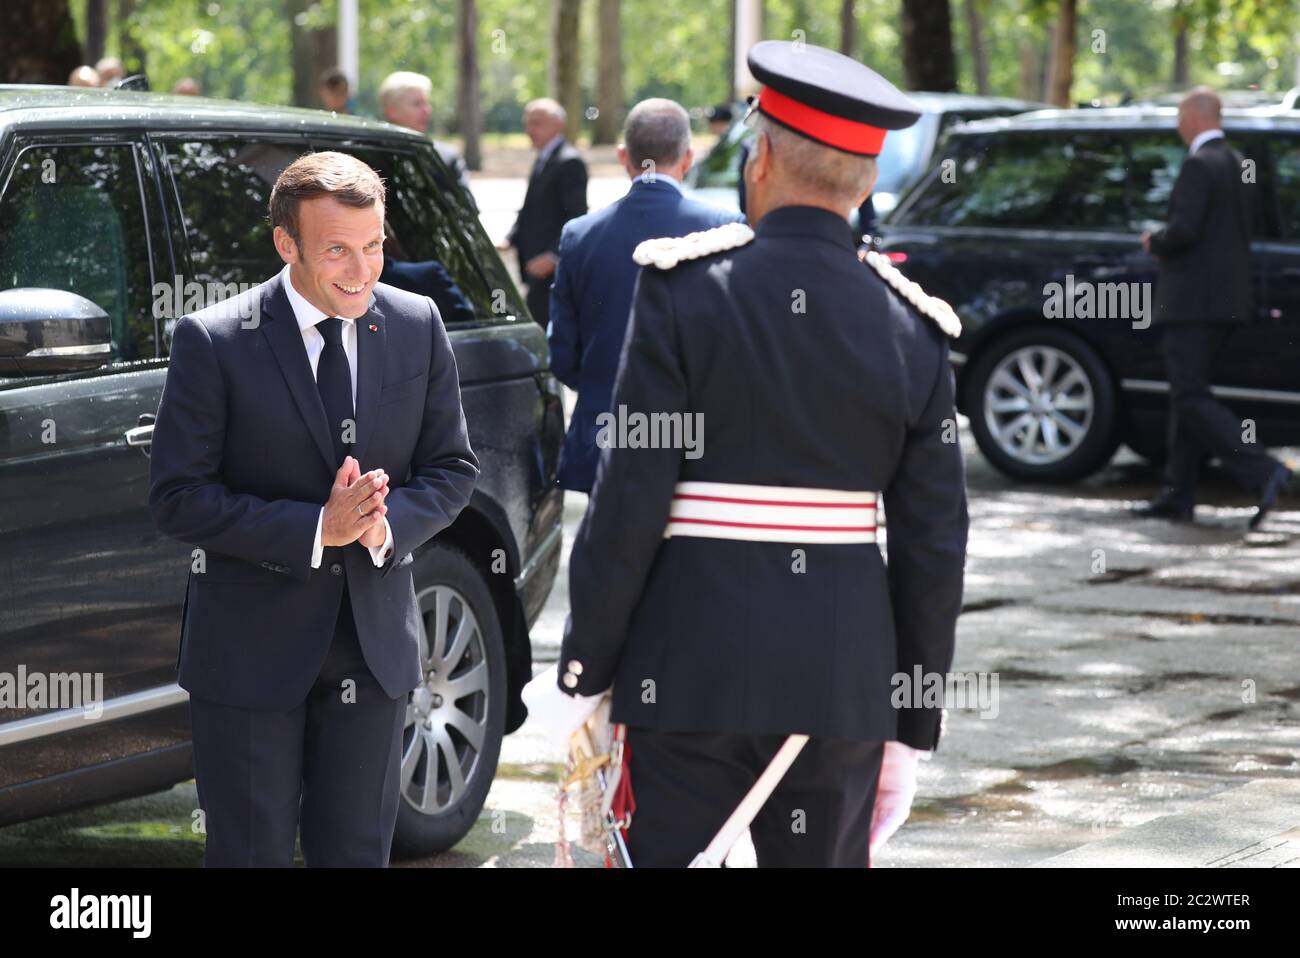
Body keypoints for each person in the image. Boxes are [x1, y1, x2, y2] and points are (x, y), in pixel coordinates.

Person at [554, 41, 969, 867]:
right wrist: (910, 721)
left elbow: (629, 498)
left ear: (763, 157)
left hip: (686, 669)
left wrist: (584, 669)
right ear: (865, 183)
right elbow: (933, 547)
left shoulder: (680, 289)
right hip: (841, 682)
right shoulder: (913, 328)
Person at [148, 151, 479, 866]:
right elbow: (177, 499)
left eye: (374, 247)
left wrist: (384, 525)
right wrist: (315, 529)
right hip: (248, 658)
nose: (363, 271)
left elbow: (453, 469)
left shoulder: (418, 323)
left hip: (376, 649)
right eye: (338, 251)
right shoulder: (213, 340)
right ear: (286, 244)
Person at [548, 97, 743, 494]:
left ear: (623, 156)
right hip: (696, 441)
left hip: (607, 436)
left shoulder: (580, 234)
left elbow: (564, 354)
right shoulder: (725, 228)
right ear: (688, 158)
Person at [1134, 87, 1290, 526]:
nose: (1178, 125)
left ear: (1195, 118)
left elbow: (1184, 231)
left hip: (1192, 301)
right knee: (1187, 395)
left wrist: (1154, 240)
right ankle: (1177, 492)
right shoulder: (1241, 164)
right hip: (1228, 301)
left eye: (1180, 116)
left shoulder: (1200, 165)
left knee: (1189, 393)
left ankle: (1262, 469)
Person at [501, 98, 588, 329]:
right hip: (533, 265)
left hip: (551, 271)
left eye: (536, 123)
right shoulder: (544, 158)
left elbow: (577, 217)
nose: (529, 130)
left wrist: (553, 255)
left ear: (556, 125)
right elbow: (530, 208)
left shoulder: (569, 162)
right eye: (527, 123)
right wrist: (510, 237)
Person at [377, 71, 473, 202]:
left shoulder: (445, 159)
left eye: (426, 103)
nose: (427, 110)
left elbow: (466, 209)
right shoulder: (368, 156)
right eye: (417, 103)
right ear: (392, 111)